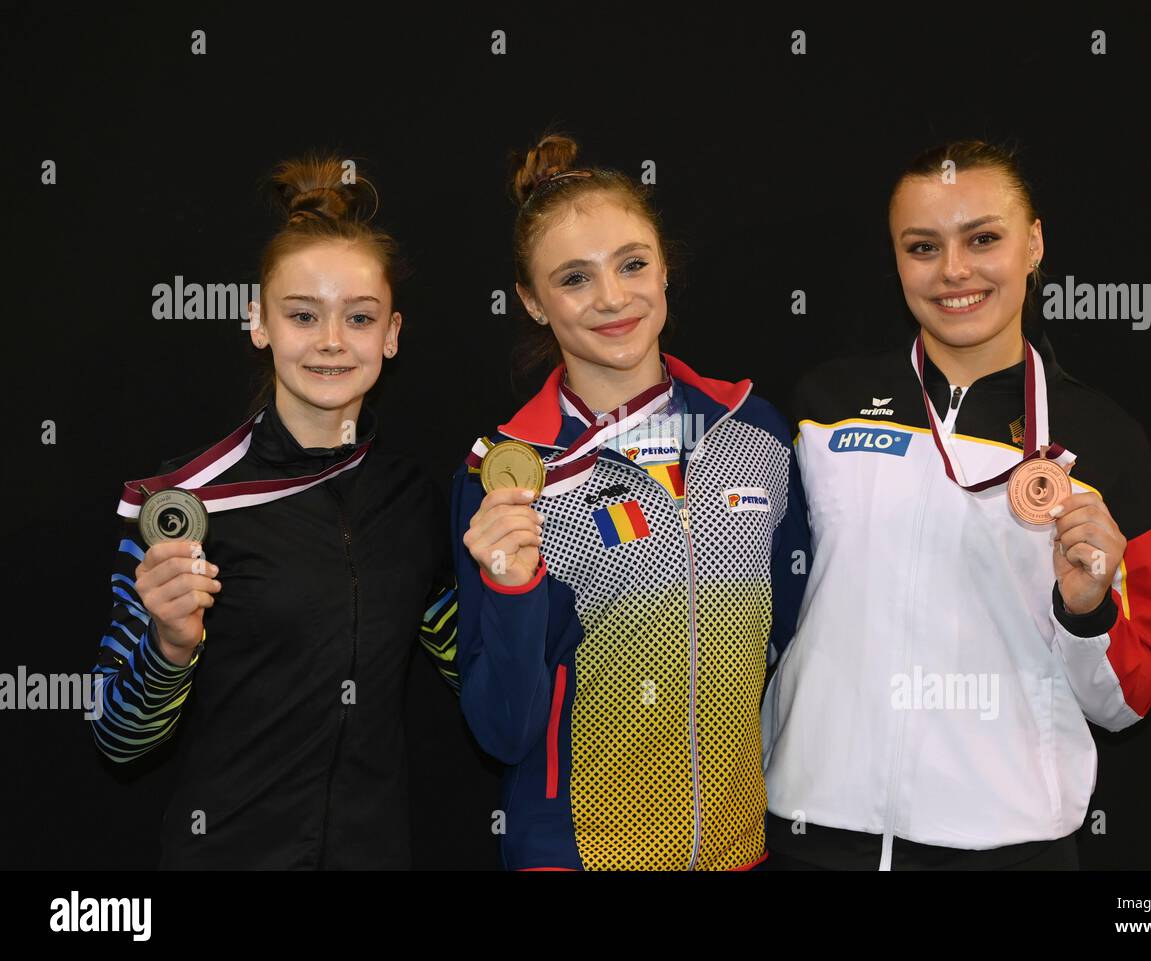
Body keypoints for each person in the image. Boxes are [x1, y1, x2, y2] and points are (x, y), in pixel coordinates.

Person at [761, 140, 1151, 870]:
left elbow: (1130, 698)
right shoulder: (823, 408)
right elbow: (772, 611)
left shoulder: (1106, 439)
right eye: (923, 246)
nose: (954, 270)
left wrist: (1088, 612)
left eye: (983, 238)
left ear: (1034, 242)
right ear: (895, 258)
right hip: (811, 826)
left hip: (1007, 844)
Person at [450, 133, 810, 870]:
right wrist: (510, 591)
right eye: (574, 278)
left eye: (633, 264)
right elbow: (502, 731)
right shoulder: (506, 476)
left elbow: (792, 641)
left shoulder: (758, 434)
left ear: (665, 267)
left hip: (740, 854)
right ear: (530, 300)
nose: (613, 298)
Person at [90, 154, 457, 869]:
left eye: (359, 317)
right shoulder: (184, 505)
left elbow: (481, 685)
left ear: (392, 334)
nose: (329, 341)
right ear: (258, 323)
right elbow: (115, 735)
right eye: (301, 315)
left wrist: (521, 588)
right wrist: (168, 646)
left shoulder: (414, 502)